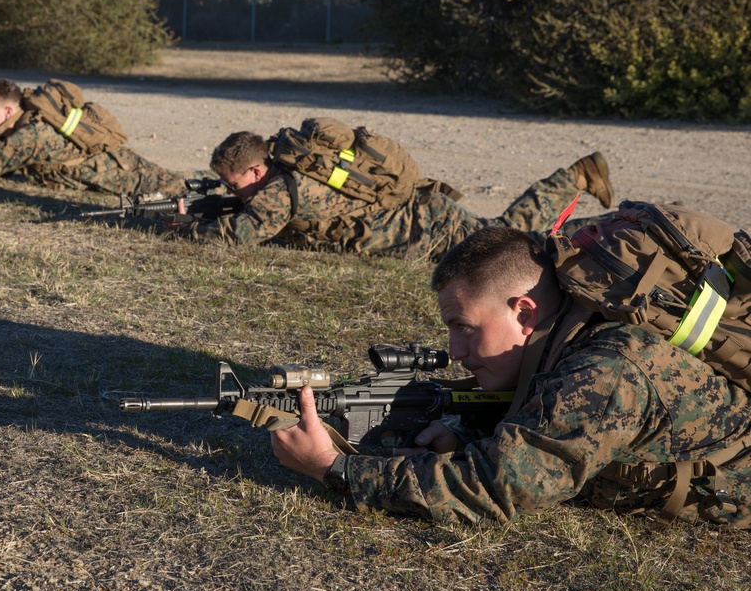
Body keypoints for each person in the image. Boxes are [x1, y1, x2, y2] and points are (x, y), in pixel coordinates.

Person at [270, 225, 751, 527]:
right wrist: (468, 430)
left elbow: (497, 489)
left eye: (464, 327)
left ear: (525, 311)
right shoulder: (571, 334)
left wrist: (333, 468)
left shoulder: (606, 370)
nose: (455, 351)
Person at [172, 130, 613, 260]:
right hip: (420, 215)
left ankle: (594, 226)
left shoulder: (279, 191)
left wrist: (189, 227)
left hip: (424, 228)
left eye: (235, 184)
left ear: (256, 168)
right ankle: (577, 185)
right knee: (507, 238)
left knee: (512, 246)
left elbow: (237, 237)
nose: (236, 192)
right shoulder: (287, 170)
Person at [0, 79, 189, 197]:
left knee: (185, 187)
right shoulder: (26, 126)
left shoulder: (29, 134)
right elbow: (1, 163)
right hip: (116, 167)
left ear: (9, 111)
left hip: (123, 174)